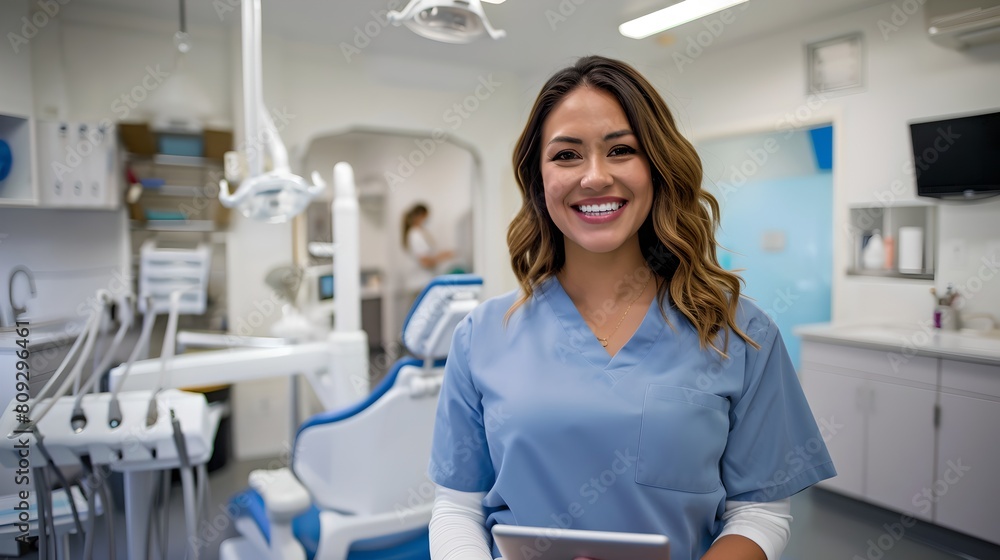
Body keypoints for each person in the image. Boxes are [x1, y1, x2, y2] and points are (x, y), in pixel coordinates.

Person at [426, 56, 837, 560]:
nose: (595, 177)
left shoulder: (739, 332)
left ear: (658, 168)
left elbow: (759, 511)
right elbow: (457, 507)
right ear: (539, 180)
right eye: (567, 155)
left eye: (621, 150)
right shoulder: (483, 334)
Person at [402, 203, 455, 297]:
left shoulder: (419, 233)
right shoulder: (415, 235)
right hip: (420, 285)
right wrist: (443, 256)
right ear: (420, 216)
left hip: (423, 284)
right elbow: (425, 261)